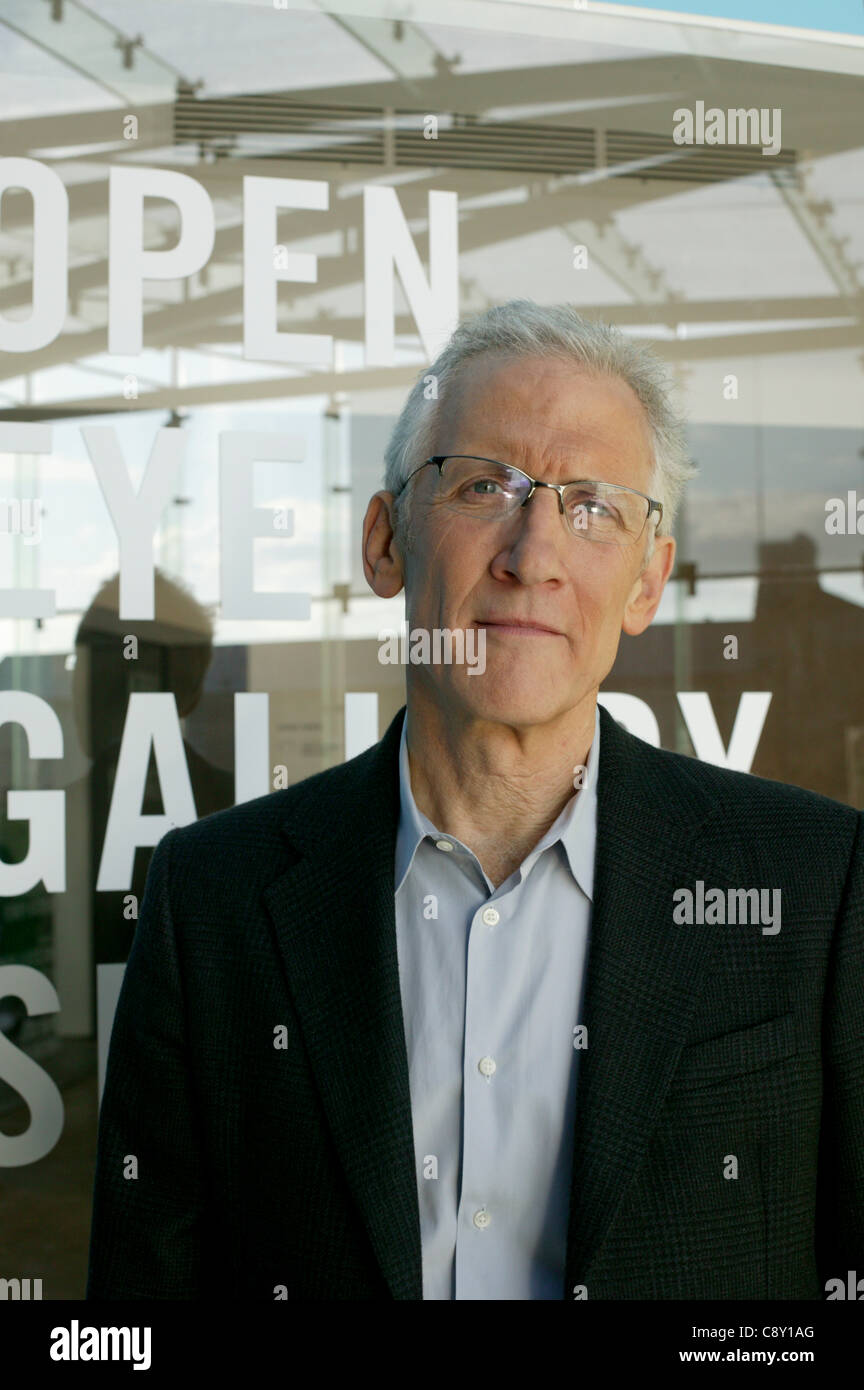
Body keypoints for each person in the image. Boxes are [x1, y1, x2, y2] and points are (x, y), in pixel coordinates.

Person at [87, 300, 863, 1300]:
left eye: (593, 506)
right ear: (384, 541)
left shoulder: (815, 886)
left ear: (645, 582)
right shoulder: (213, 899)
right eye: (485, 485)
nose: (532, 554)